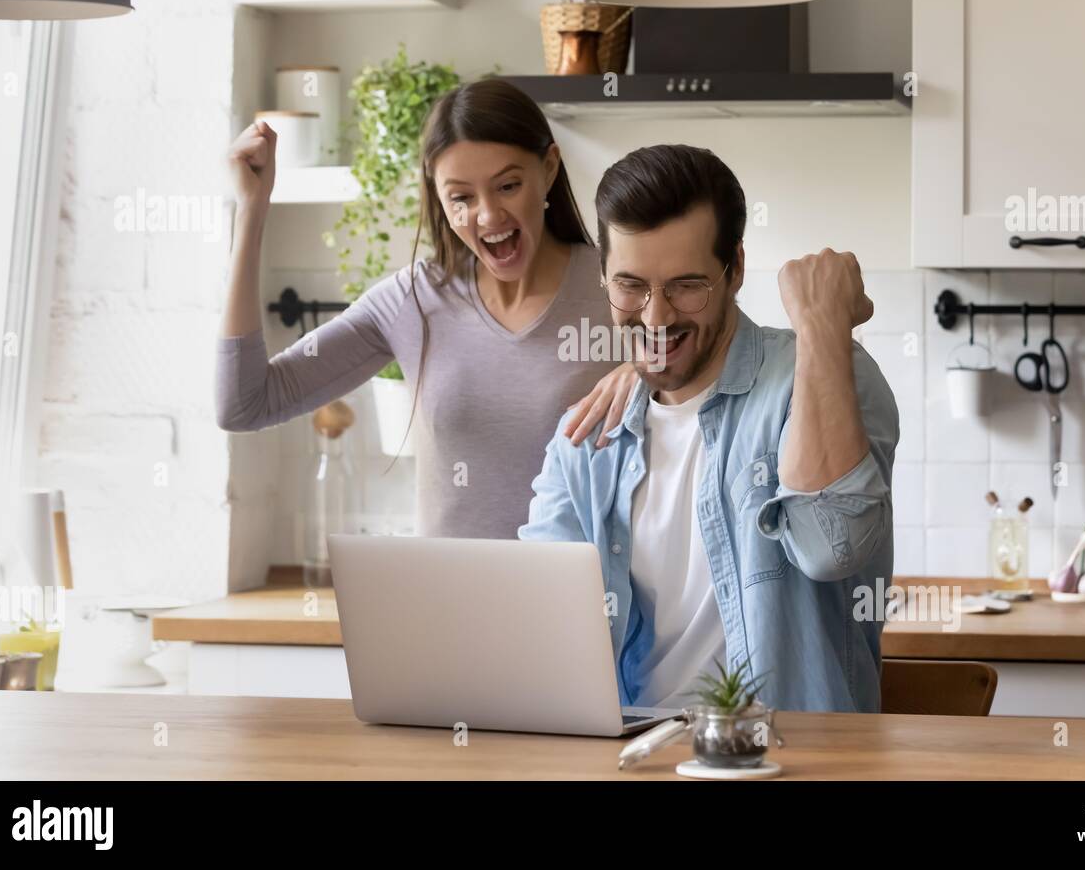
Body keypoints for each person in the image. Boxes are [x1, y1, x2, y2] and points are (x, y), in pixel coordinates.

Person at [520, 144, 899, 713]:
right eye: (631, 285)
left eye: (685, 286)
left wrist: (821, 325)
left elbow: (830, 549)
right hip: (632, 760)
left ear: (737, 268)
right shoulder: (586, 441)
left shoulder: (822, 374)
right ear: (602, 275)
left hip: (795, 765)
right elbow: (535, 630)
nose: (656, 316)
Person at [216, 79, 636, 539]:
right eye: (461, 197)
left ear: (549, 168)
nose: (488, 216)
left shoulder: (621, 288)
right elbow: (244, 404)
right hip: (442, 602)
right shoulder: (414, 301)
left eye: (508, 185)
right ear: (437, 195)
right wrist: (251, 211)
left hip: (580, 602)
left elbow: (718, 361)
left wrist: (649, 370)